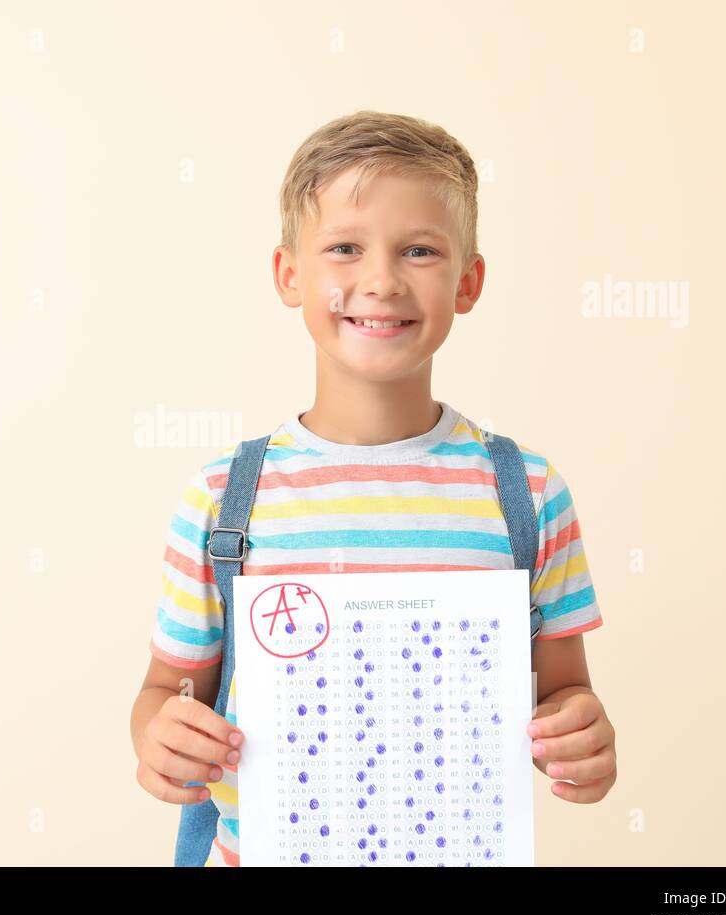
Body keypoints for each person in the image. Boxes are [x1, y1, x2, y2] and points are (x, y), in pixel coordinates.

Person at [129, 110, 616, 866]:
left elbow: (562, 694)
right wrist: (161, 736)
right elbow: (167, 691)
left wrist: (578, 733)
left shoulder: (526, 492)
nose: (381, 280)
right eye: (345, 248)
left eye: (419, 250)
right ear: (290, 274)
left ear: (468, 281)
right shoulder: (226, 498)